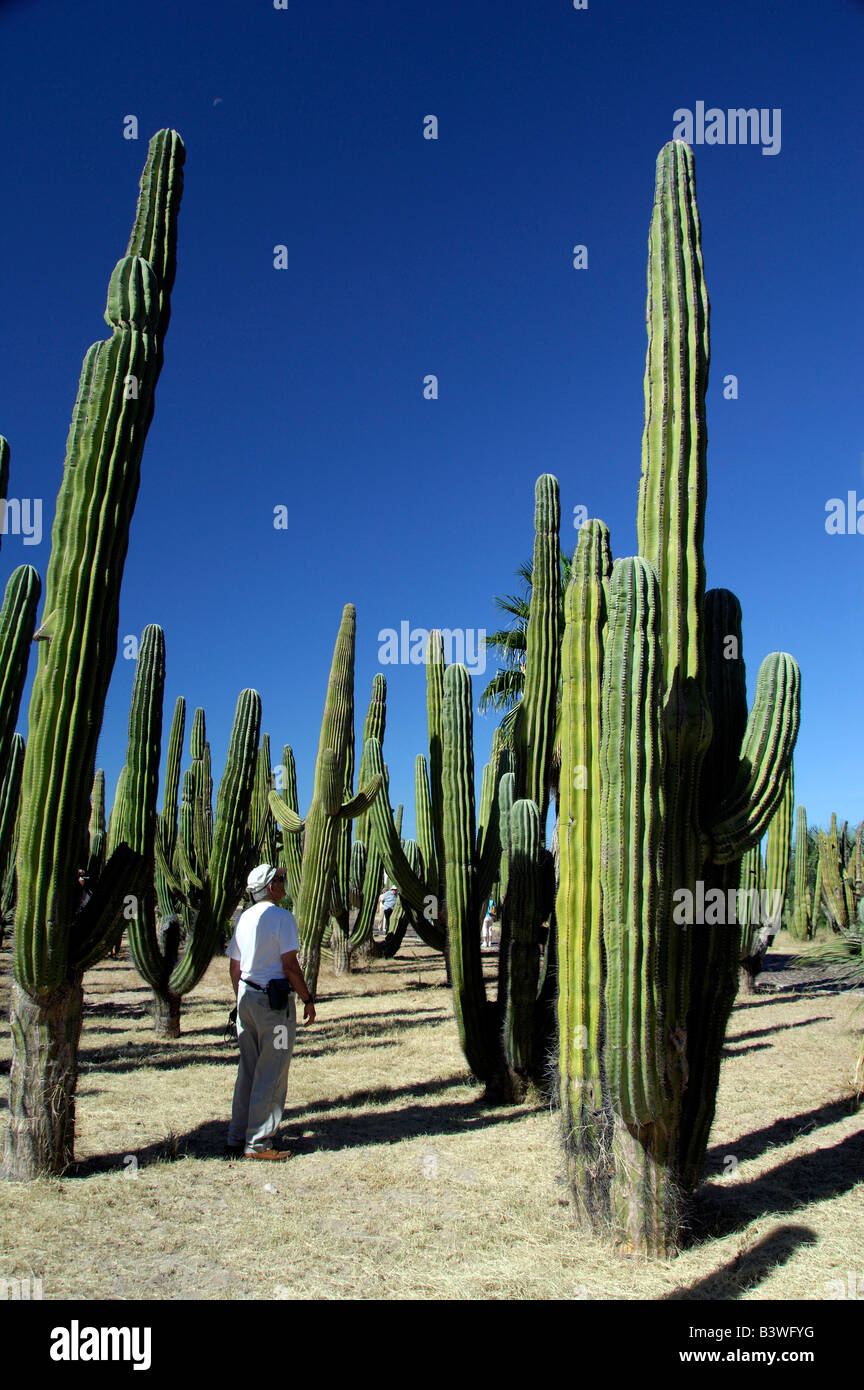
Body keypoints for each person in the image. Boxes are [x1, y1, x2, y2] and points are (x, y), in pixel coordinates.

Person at [225, 863, 316, 1160]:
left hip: (247, 1001)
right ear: (270, 887)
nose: (284, 881)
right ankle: (259, 1143)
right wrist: (307, 997)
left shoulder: (244, 918)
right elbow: (290, 965)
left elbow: (234, 967)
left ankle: (236, 1136)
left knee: (248, 1071)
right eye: (280, 879)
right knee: (272, 1073)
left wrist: (241, 998)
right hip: (273, 1008)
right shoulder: (281, 917)